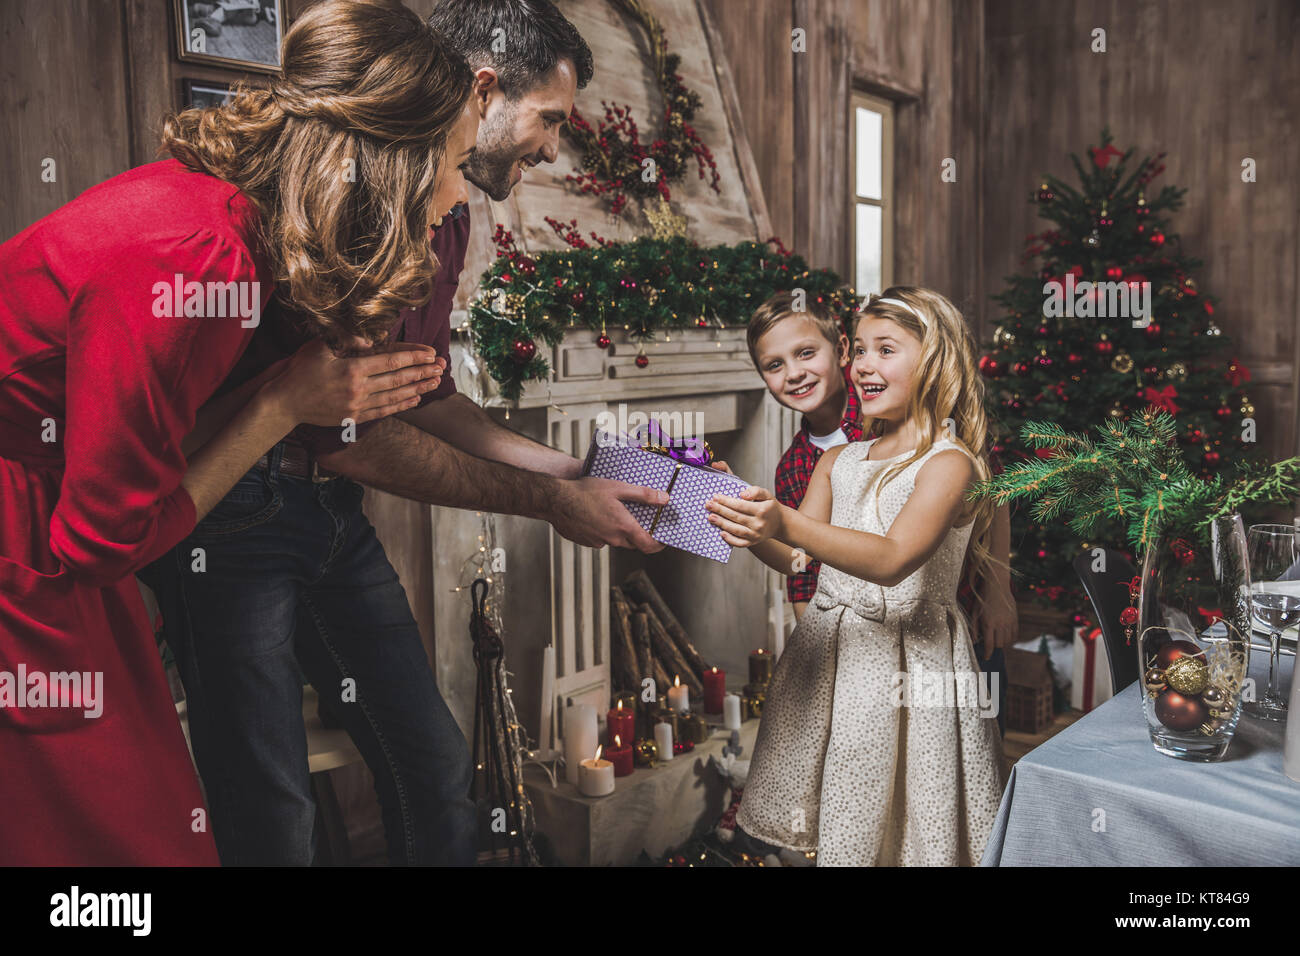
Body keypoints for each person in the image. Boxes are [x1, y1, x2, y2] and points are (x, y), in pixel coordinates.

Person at [140, 0, 668, 867]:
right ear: (486, 89)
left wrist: (574, 469)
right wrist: (553, 503)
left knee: (431, 766)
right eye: (548, 122)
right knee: (270, 811)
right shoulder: (358, 197)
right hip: (230, 516)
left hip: (331, 511)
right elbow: (352, 428)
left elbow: (420, 395)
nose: (550, 150)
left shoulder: (449, 212)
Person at [0, 0, 468, 865]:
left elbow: (152, 440)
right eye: (453, 163)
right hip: (28, 542)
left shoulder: (233, 228)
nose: (456, 194)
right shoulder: (199, 254)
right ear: (390, 164)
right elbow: (100, 543)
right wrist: (284, 403)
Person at [709, 287, 1008, 865]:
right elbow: (796, 559)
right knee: (836, 799)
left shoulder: (950, 464)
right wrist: (746, 522)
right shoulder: (832, 460)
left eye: (885, 349)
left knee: (901, 814)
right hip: (830, 658)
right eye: (861, 351)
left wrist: (786, 521)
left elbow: (894, 557)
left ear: (935, 359)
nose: (864, 364)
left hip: (908, 662)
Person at [747, 290, 1017, 733]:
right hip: (857, 646)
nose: (794, 374)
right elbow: (800, 561)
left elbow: (994, 490)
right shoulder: (804, 463)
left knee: (964, 731)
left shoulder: (895, 413)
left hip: (946, 618)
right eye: (774, 366)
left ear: (838, 351)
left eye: (806, 354)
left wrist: (999, 591)